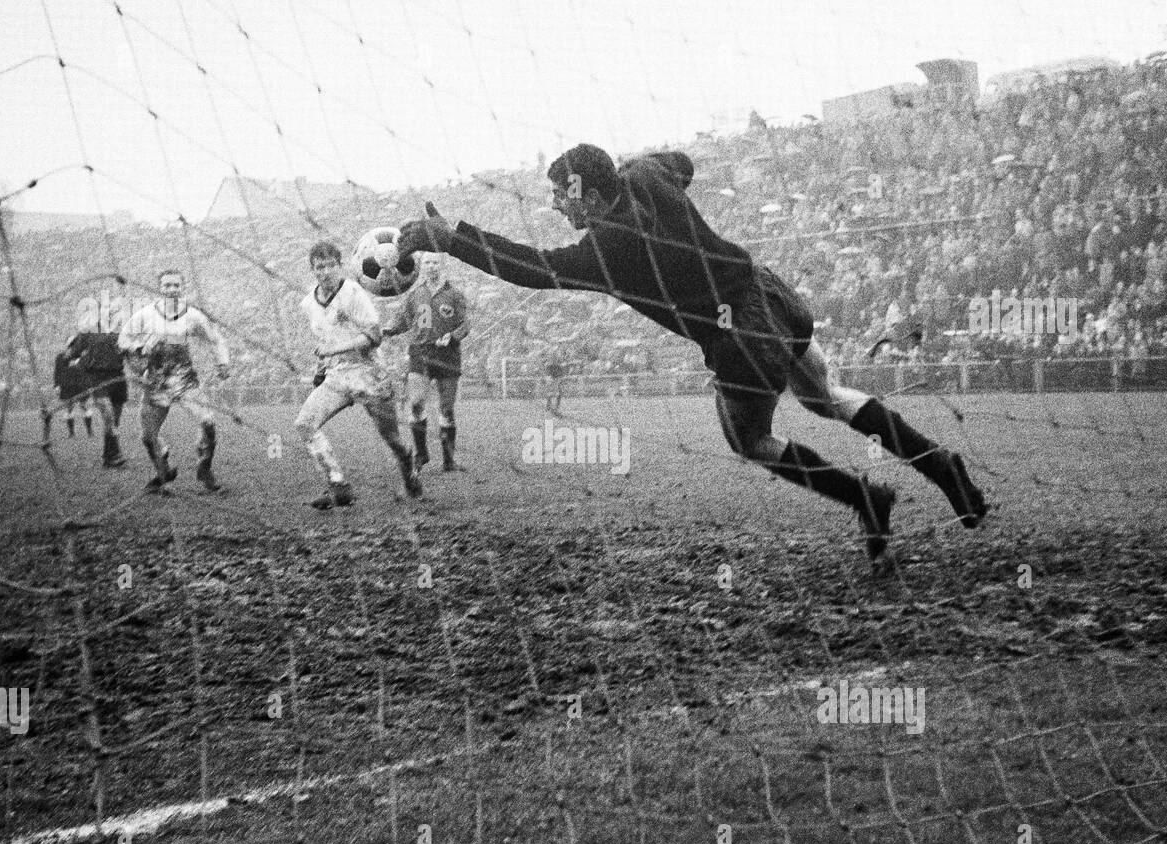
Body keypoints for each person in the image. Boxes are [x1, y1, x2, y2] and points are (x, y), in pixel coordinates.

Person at [398, 144, 986, 566]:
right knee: (824, 395)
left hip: (738, 331)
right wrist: (665, 177)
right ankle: (943, 469)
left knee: (749, 440)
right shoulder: (644, 173)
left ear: (592, 195)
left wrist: (453, 238)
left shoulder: (611, 245)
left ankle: (869, 497)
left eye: (562, 195)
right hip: (769, 290)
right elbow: (681, 163)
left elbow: (538, 269)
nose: (557, 206)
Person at [296, 240, 423, 509]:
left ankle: (408, 468)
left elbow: (374, 336)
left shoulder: (353, 293)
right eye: (320, 267)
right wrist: (322, 369)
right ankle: (338, 484)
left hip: (369, 374)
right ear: (313, 270)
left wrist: (335, 348)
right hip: (338, 376)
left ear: (340, 266)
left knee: (392, 440)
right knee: (305, 424)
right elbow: (323, 340)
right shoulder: (308, 303)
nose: (326, 271)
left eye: (331, 265)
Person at [118, 269, 230, 492]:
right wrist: (139, 350)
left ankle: (205, 467)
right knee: (148, 437)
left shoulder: (192, 315)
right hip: (156, 384)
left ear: (182, 287)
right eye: (167, 285)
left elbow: (215, 339)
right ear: (159, 288)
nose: (171, 289)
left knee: (208, 423)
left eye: (175, 285)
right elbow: (123, 339)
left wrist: (222, 362)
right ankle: (163, 470)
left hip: (185, 382)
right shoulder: (145, 315)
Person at [382, 253, 470, 471]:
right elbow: (403, 320)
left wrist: (452, 336)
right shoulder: (415, 295)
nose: (431, 266)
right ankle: (421, 455)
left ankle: (449, 461)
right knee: (416, 402)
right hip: (420, 352)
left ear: (442, 265)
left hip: (447, 355)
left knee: (446, 409)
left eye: (435, 262)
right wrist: (390, 329)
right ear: (422, 266)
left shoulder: (455, 295)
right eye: (428, 263)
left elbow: (465, 324)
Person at [66, 309, 129, 468]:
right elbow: (72, 354)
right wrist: (81, 359)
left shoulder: (122, 332)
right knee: (108, 417)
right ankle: (116, 454)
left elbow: (131, 353)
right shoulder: (89, 332)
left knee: (114, 421)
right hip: (98, 379)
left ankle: (109, 458)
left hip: (118, 378)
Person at [52, 339, 91, 438]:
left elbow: (88, 371)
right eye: (71, 346)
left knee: (84, 405)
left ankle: (89, 432)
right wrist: (56, 385)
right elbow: (57, 372)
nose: (73, 348)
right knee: (69, 408)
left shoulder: (82, 357)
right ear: (68, 346)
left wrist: (89, 384)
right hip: (67, 386)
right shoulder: (60, 357)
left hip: (80, 385)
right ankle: (71, 433)